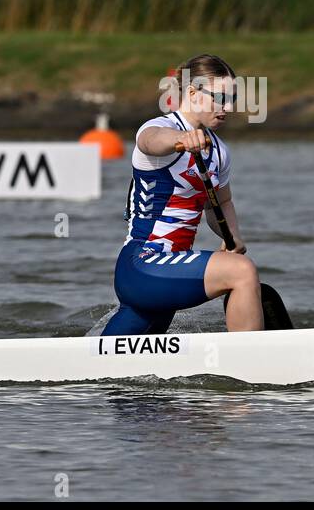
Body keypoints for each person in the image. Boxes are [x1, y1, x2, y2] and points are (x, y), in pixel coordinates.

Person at [102, 54, 263, 336]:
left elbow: (220, 202)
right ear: (192, 93)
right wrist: (179, 141)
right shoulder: (161, 129)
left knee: (112, 365)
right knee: (242, 272)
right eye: (219, 97)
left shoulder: (219, 151)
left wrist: (232, 237)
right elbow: (149, 142)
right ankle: (251, 369)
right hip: (142, 264)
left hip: (170, 269)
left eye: (232, 99)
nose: (227, 107)